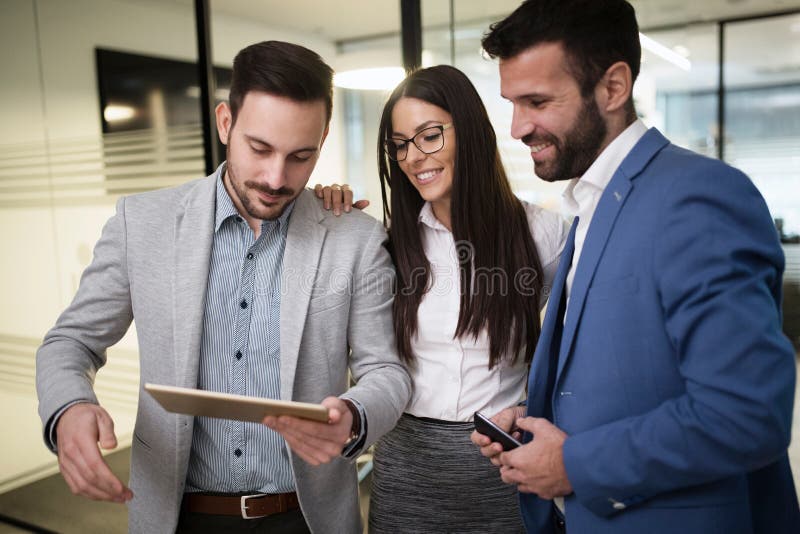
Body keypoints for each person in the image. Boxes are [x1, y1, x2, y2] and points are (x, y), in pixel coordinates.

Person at [35, 40, 411, 534]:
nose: (277, 178)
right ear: (225, 123)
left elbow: (387, 370)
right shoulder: (141, 222)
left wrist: (355, 417)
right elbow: (70, 342)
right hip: (176, 517)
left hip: (307, 518)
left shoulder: (355, 237)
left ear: (322, 140)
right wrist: (69, 408)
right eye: (260, 149)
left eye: (301, 156)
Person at [471, 1, 799, 533]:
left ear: (613, 87)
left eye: (536, 101)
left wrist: (572, 464)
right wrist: (538, 423)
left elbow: (747, 414)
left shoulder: (697, 197)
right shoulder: (593, 203)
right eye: (512, 103)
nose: (517, 128)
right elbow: (627, 373)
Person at [343, 64, 566, 533]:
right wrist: (326, 206)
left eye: (429, 136)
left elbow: (569, 358)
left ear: (469, 131)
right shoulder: (388, 244)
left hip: (499, 462)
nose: (414, 157)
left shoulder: (542, 236)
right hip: (406, 468)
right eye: (401, 145)